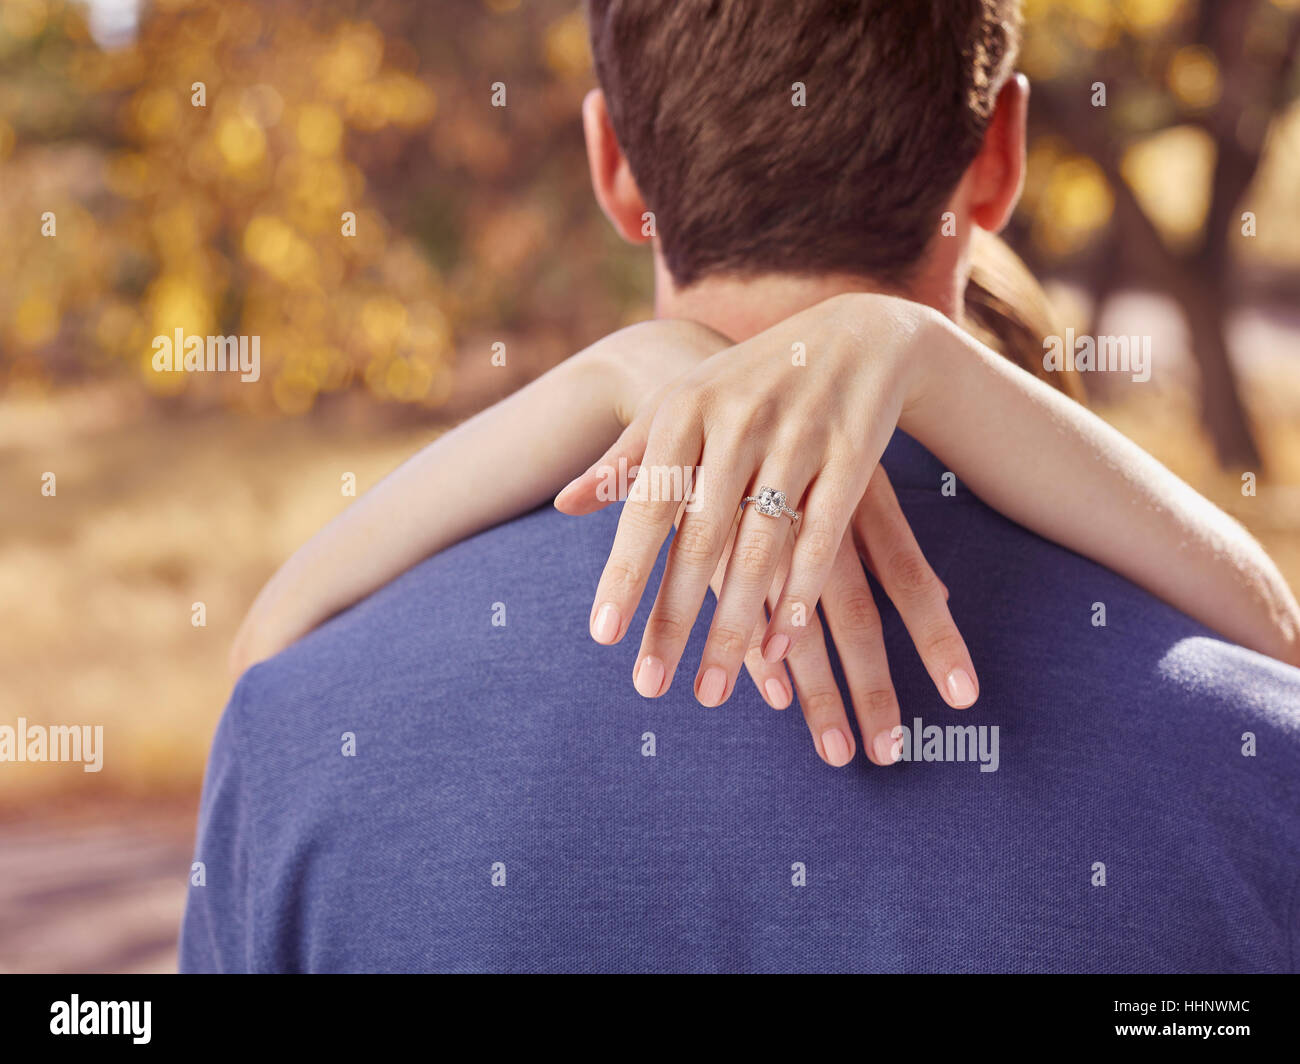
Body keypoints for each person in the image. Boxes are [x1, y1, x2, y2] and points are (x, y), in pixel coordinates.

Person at [181, 0, 1300, 972]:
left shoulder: (298, 736)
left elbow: (267, 653)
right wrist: (931, 361)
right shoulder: (1253, 758)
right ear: (1001, 155)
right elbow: (1274, 645)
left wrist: (598, 381)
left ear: (613, 166)